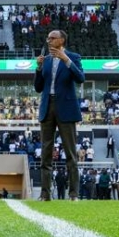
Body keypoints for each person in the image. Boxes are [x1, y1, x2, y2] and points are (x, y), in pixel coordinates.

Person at [34, 29, 85, 201]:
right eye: (47, 38)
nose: (48, 41)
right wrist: (38, 68)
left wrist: (66, 60)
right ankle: (45, 194)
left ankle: (73, 194)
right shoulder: (46, 60)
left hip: (66, 108)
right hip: (47, 107)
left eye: (52, 38)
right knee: (45, 154)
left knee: (71, 154)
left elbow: (81, 78)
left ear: (61, 40)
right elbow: (38, 87)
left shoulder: (74, 57)